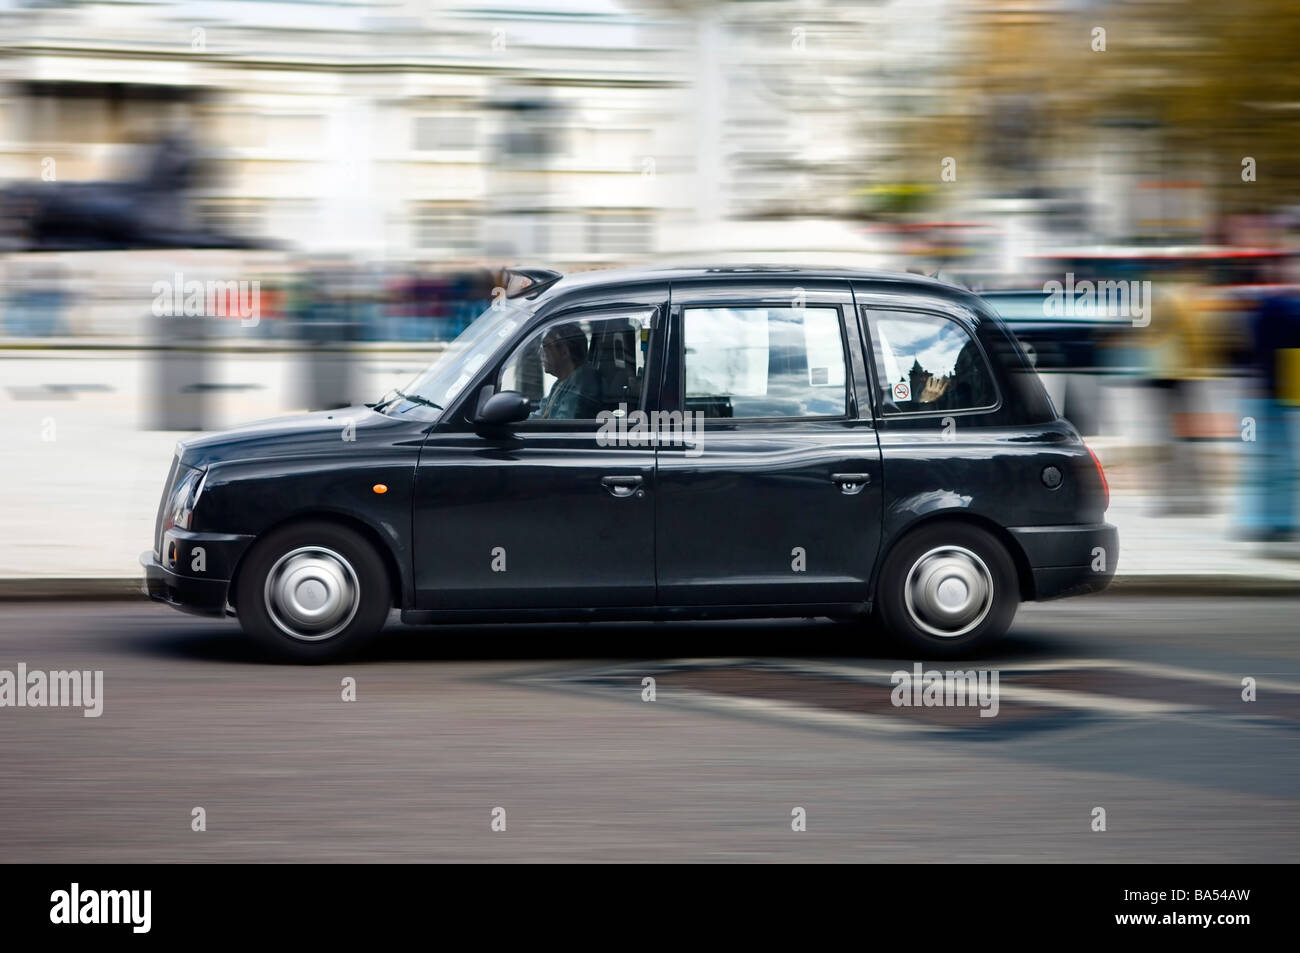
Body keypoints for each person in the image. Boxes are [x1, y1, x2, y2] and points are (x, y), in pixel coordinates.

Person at [536, 324, 602, 419]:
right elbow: (541, 414)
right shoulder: (561, 382)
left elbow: (562, 426)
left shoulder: (583, 381)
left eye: (546, 347)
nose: (540, 353)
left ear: (564, 352)